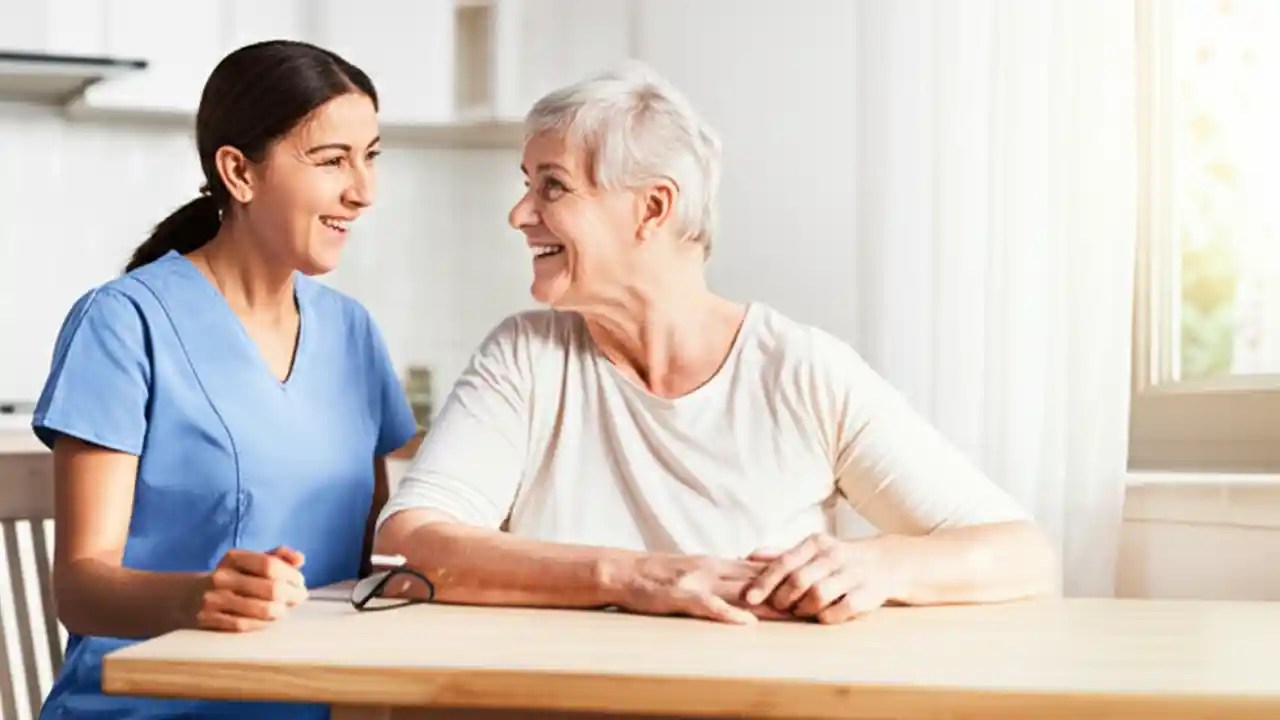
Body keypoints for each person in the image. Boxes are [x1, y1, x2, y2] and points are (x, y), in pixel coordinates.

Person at [373, 62, 1057, 626]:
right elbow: (408, 547)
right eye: (529, 187)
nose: (520, 215)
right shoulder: (526, 357)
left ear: (653, 207)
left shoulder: (799, 370)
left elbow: (1022, 553)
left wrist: (877, 564)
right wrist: (636, 575)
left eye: (552, 186)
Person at [32, 40, 416, 718]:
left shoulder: (353, 334)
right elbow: (80, 589)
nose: (363, 191)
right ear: (239, 172)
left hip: (312, 704)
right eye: (331, 160)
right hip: (146, 706)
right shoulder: (123, 323)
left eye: (371, 156)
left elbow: (377, 557)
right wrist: (197, 598)